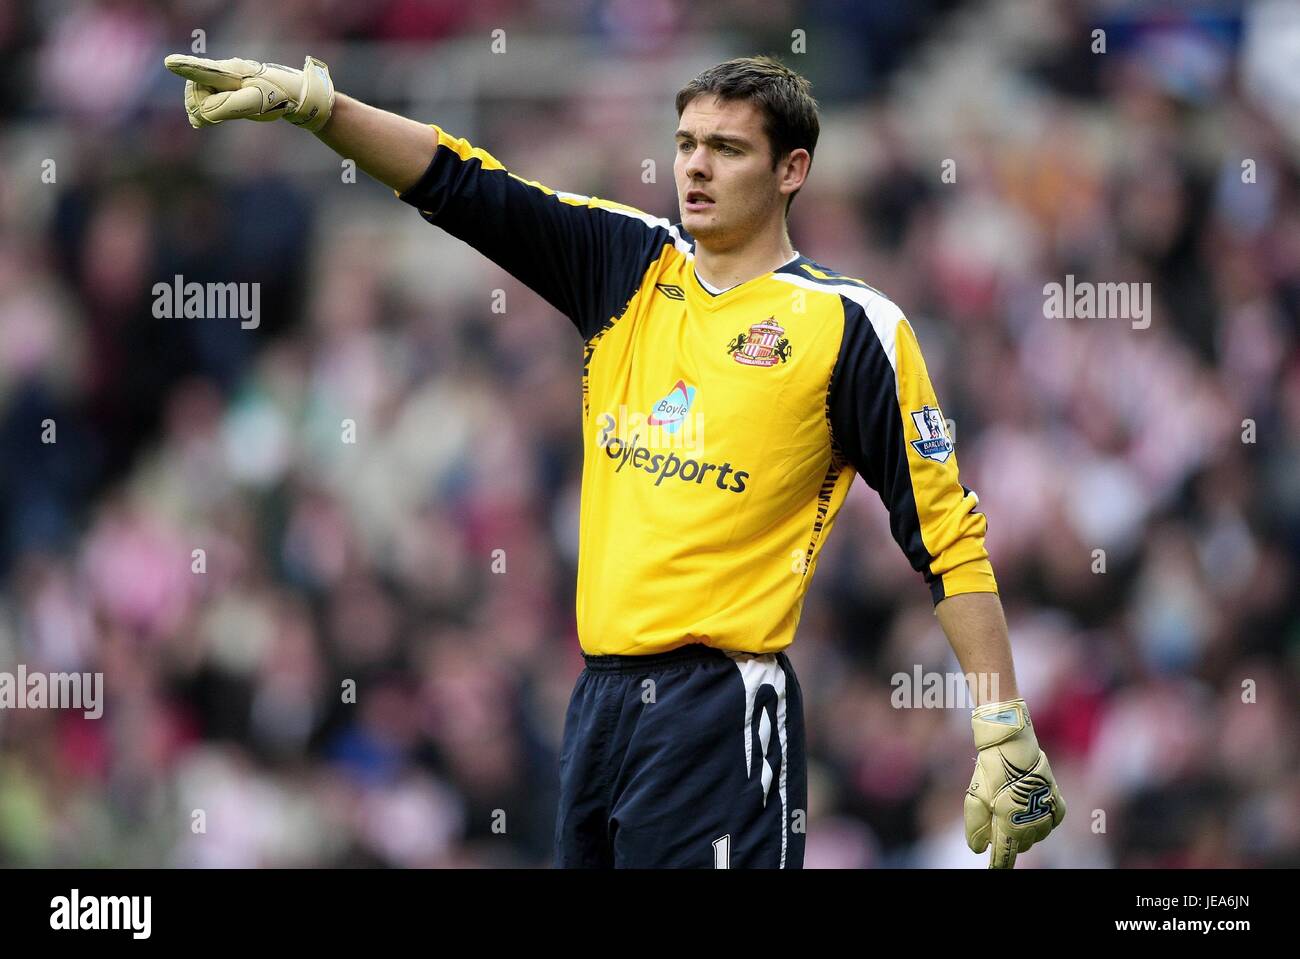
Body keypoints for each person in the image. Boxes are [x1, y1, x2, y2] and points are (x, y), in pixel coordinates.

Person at [163, 51, 1066, 869]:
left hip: (721, 711)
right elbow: (467, 186)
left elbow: (947, 537)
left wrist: (1000, 725)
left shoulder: (850, 325)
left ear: (793, 170)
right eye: (685, 143)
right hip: (599, 703)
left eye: (728, 148)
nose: (697, 167)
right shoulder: (628, 263)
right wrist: (321, 108)